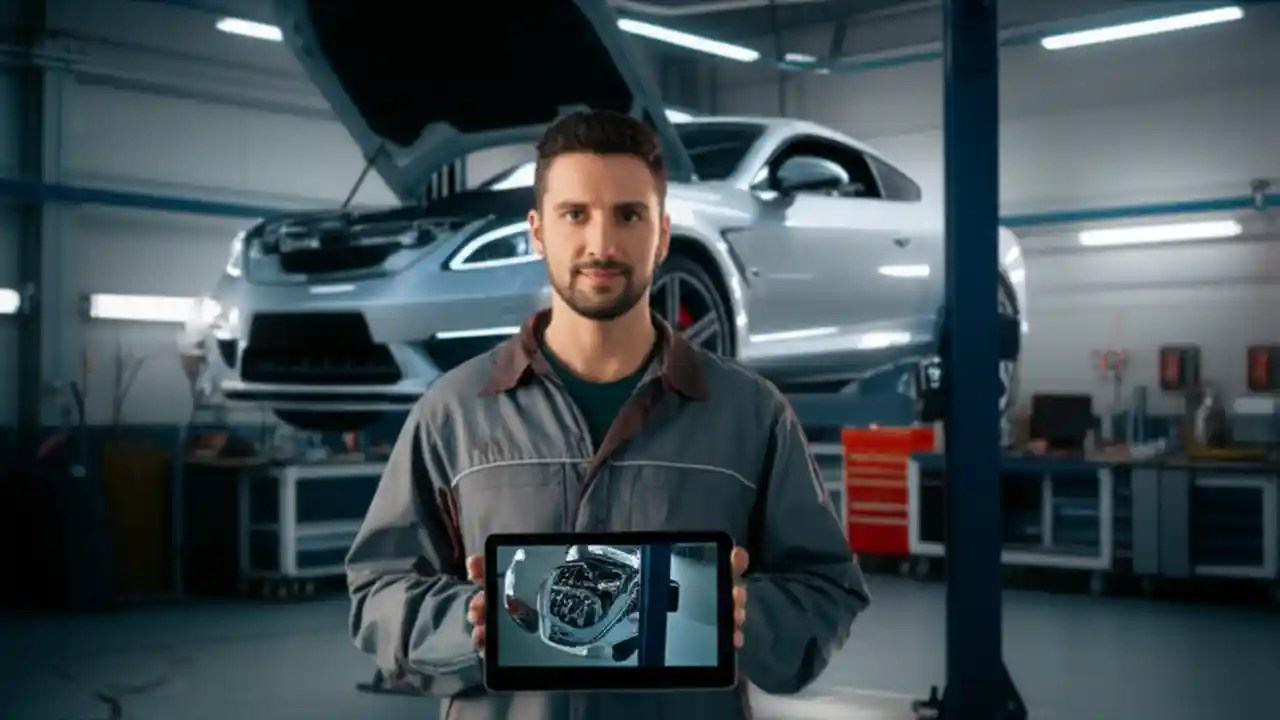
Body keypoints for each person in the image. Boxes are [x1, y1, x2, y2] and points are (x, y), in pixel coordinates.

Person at [345, 108, 870, 720]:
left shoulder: (751, 416)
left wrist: (746, 615)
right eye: (576, 215)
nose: (603, 244)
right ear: (537, 231)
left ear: (663, 234)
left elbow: (827, 587)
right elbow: (376, 590)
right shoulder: (453, 413)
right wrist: (467, 627)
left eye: (629, 215)